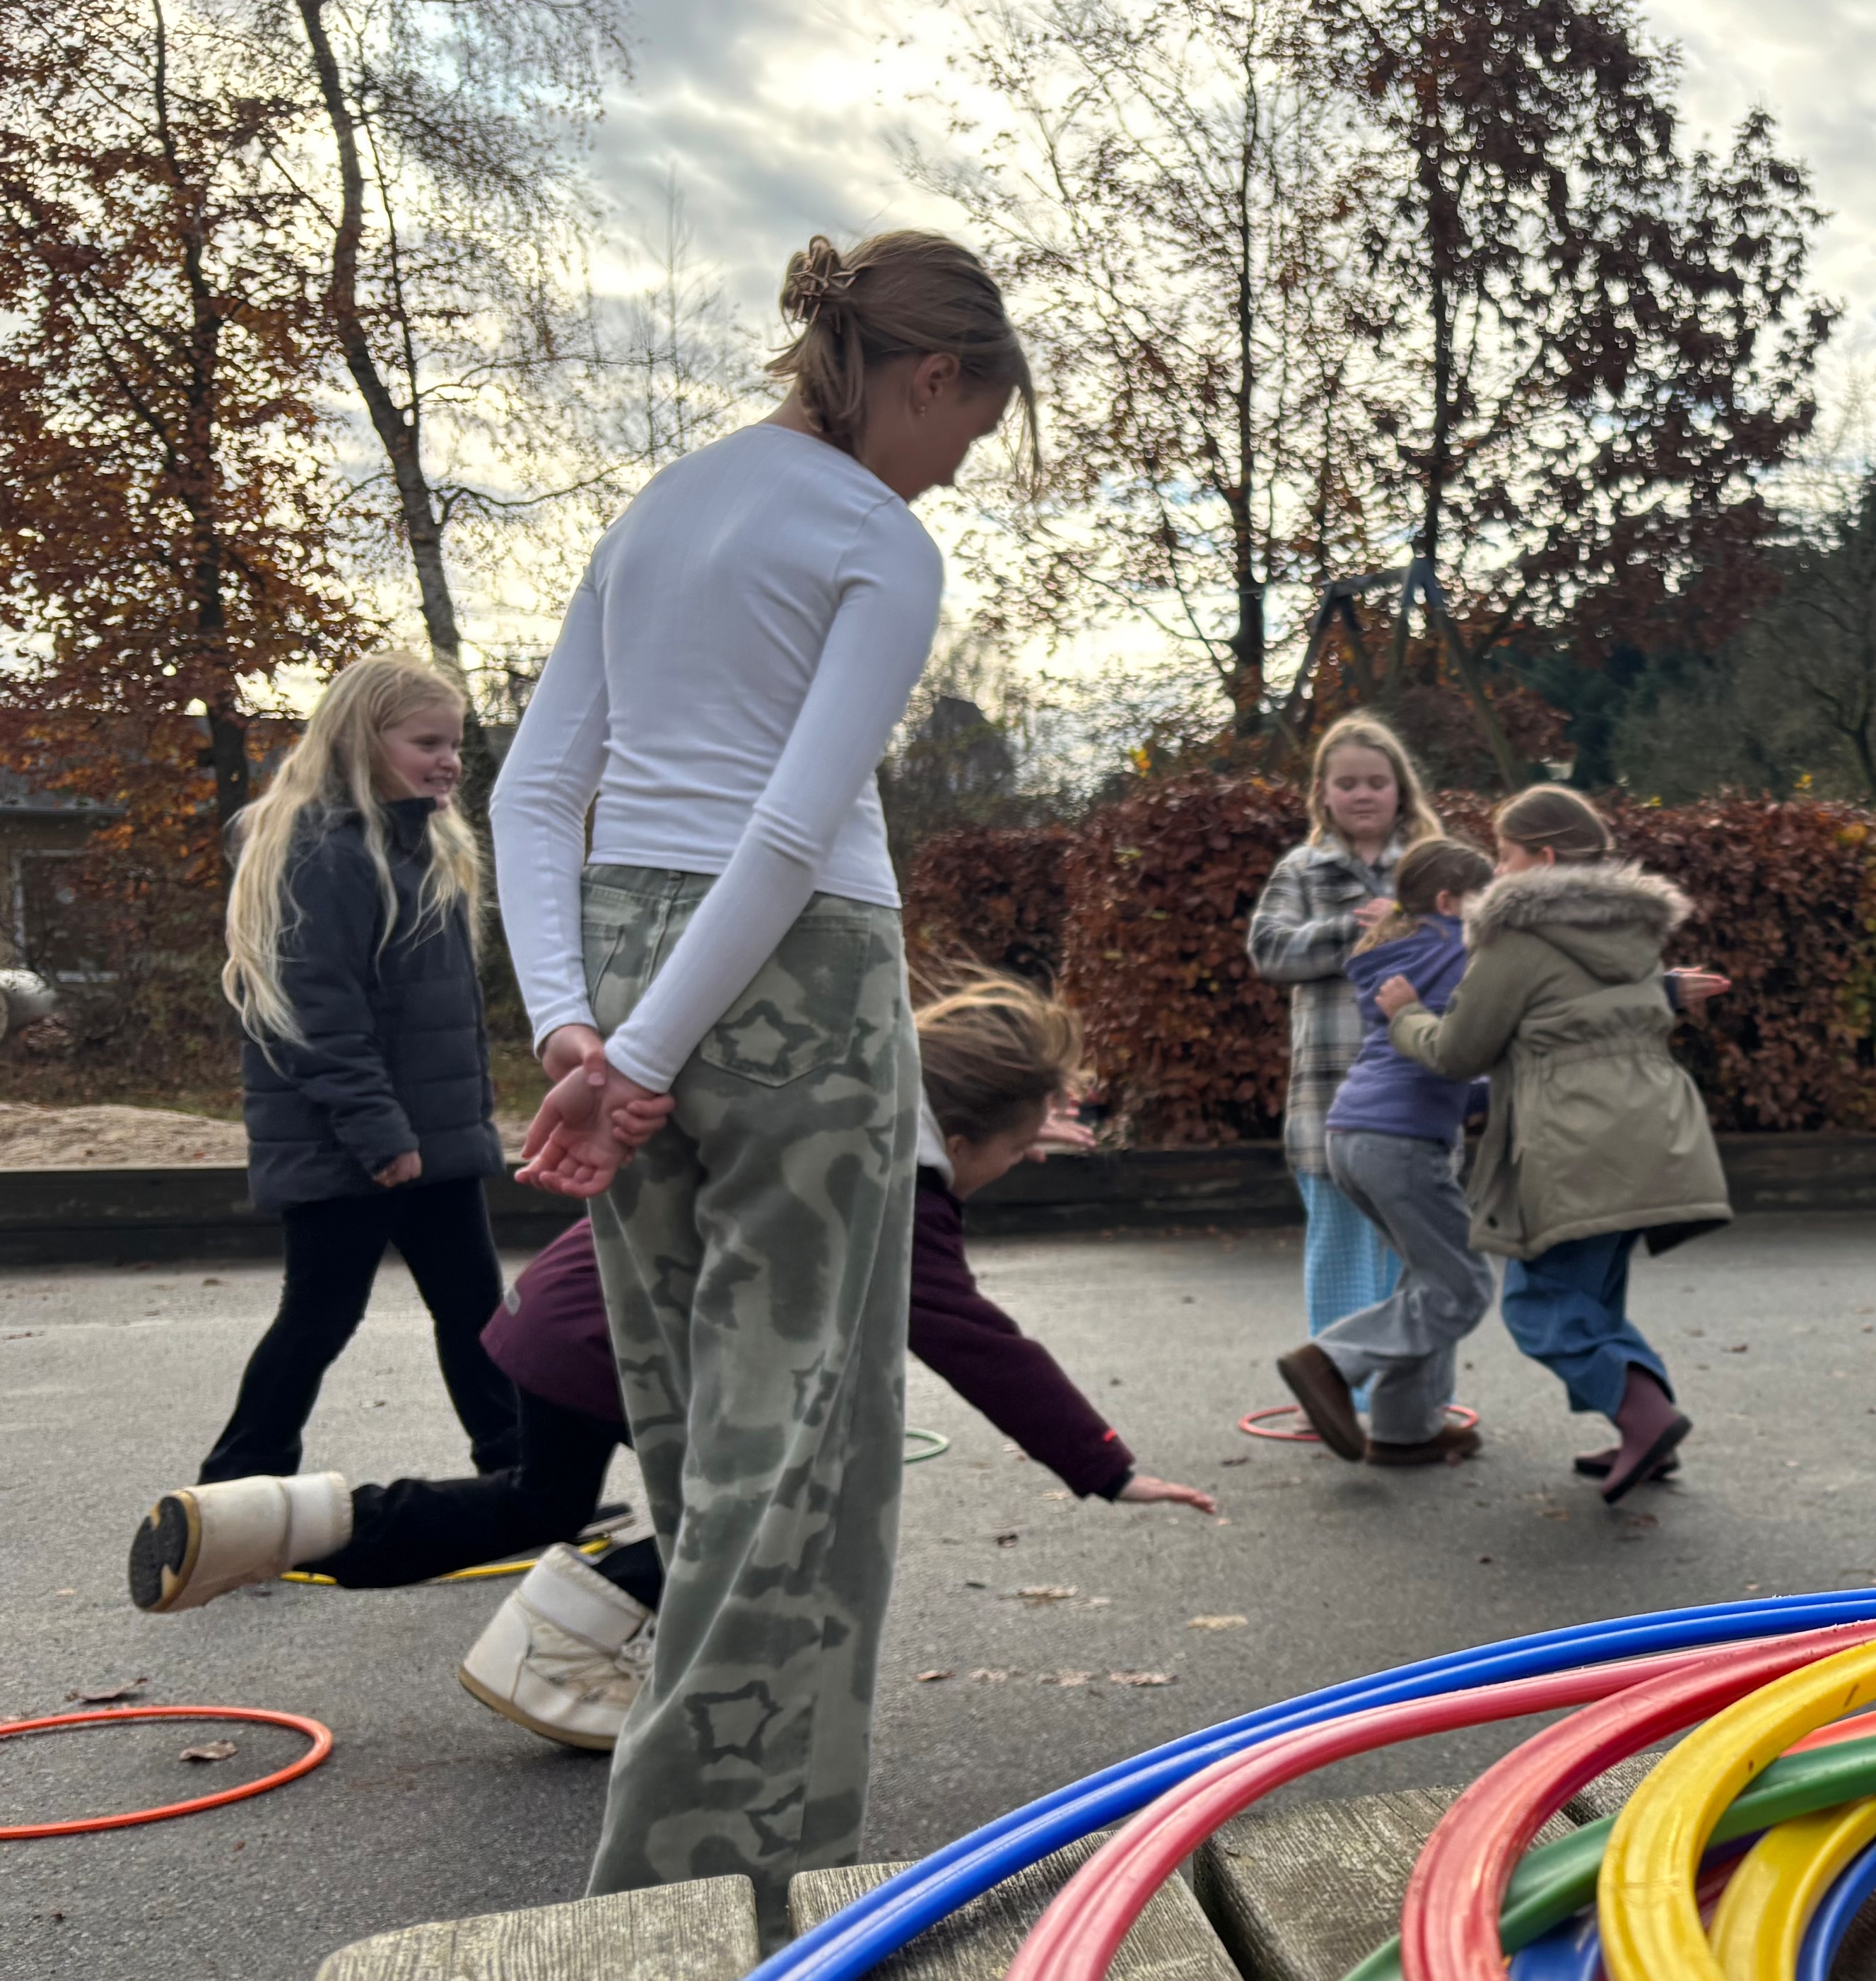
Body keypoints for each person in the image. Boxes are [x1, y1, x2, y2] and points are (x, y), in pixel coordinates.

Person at [486, 230, 1029, 1929]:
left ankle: (693, 1892)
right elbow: (793, 825)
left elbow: (528, 790)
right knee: (800, 1451)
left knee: (694, 1436)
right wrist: (630, 1056)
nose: (959, 467)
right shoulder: (878, 535)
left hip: (631, 940)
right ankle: (697, 1903)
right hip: (791, 972)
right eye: (969, 429)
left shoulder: (661, 504)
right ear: (928, 375)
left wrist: (581, 1027)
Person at [127, 974, 1217, 1753]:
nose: (1013, 1169)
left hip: (556, 1310)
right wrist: (1107, 1463)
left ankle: (262, 1524)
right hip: (626, 1340)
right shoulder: (893, 1181)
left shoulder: (809, 1092)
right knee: (778, 1508)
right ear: (964, 1130)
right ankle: (554, 1645)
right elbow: (971, 1334)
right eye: (1015, 1152)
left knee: (530, 1500)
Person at [199, 657, 518, 1488]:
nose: (449, 758)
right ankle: (237, 1480)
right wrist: (380, 1135)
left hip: (427, 1141)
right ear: (360, 739)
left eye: (453, 742)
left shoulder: (423, 848)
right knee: (320, 1315)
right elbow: (313, 1011)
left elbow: (431, 1016)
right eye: (426, 742)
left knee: (477, 1314)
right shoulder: (322, 853)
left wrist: (444, 1132)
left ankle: (519, 1470)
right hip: (350, 1142)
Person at [1377, 787, 1732, 1503]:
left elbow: (1458, 1048)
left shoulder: (1516, 936)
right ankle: (1641, 1431)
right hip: (1653, 1133)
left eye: (1503, 855)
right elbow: (1596, 1008)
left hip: (1575, 1142)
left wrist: (1404, 1014)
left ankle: (1646, 1415)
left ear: (1541, 857)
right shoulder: (1632, 931)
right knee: (1591, 1299)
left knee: (1538, 1306)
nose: (1495, 873)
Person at [1276, 838, 1502, 1466]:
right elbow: (1466, 1037)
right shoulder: (1456, 950)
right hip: (1401, 1141)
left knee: (1429, 1277)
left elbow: (1427, 1048)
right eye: (1486, 901)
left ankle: (1405, 1429)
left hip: (1351, 1131)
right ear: (1450, 901)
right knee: (1464, 1285)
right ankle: (1331, 1362)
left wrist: (1482, 1098)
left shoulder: (1396, 950)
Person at [1249, 715, 1446, 1338]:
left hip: (1415, 1095)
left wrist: (1414, 923)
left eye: (1377, 782)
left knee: (1416, 1250)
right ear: (1324, 793)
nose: (1363, 794)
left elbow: (1476, 954)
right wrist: (1359, 933)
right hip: (1327, 1098)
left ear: (1401, 790)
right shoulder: (1301, 870)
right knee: (1337, 1250)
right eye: (1348, 783)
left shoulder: (1434, 872)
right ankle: (1332, 1386)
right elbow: (1270, 951)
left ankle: (1408, 1398)